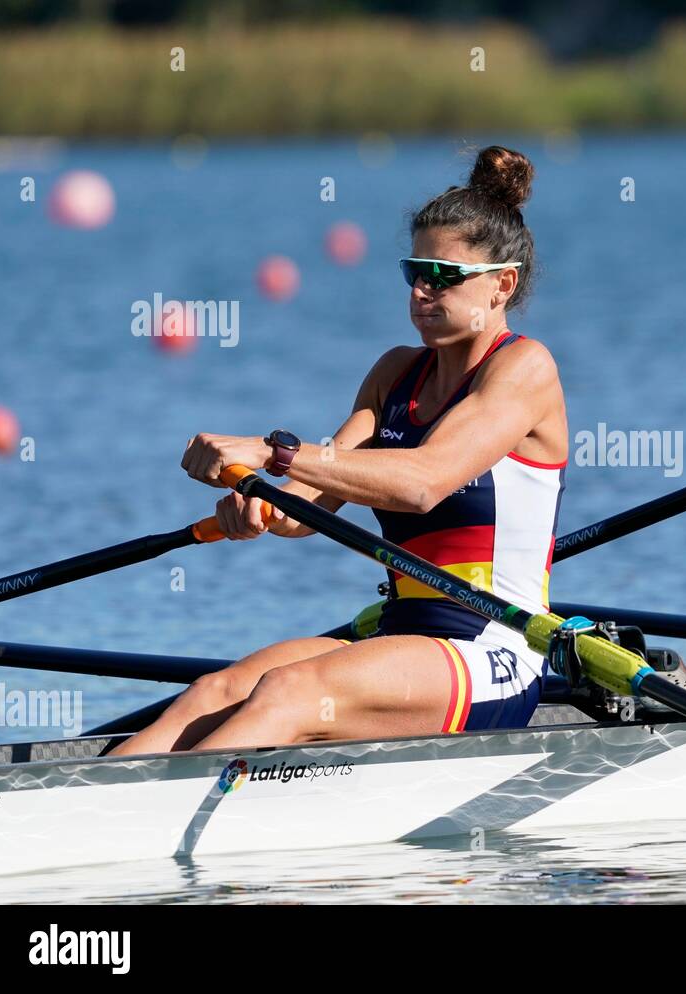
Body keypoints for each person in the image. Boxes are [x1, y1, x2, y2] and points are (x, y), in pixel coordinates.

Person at [114, 146, 567, 753]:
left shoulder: (523, 369)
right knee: (214, 692)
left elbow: (422, 482)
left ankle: (144, 826)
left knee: (289, 693)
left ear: (501, 285)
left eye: (445, 276)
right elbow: (312, 500)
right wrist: (258, 498)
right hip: (401, 634)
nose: (423, 292)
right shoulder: (395, 374)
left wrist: (273, 451)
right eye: (415, 273)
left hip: (494, 651)